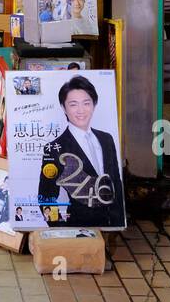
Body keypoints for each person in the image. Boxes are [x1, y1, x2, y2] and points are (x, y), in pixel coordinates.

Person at [38, 75, 125, 226]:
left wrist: (119, 221)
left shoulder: (106, 139)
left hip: (112, 226)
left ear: (94, 104)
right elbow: (46, 198)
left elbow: (116, 183)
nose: (81, 110)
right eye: (73, 104)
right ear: (64, 108)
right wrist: (61, 229)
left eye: (86, 103)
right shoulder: (55, 149)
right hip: (79, 229)